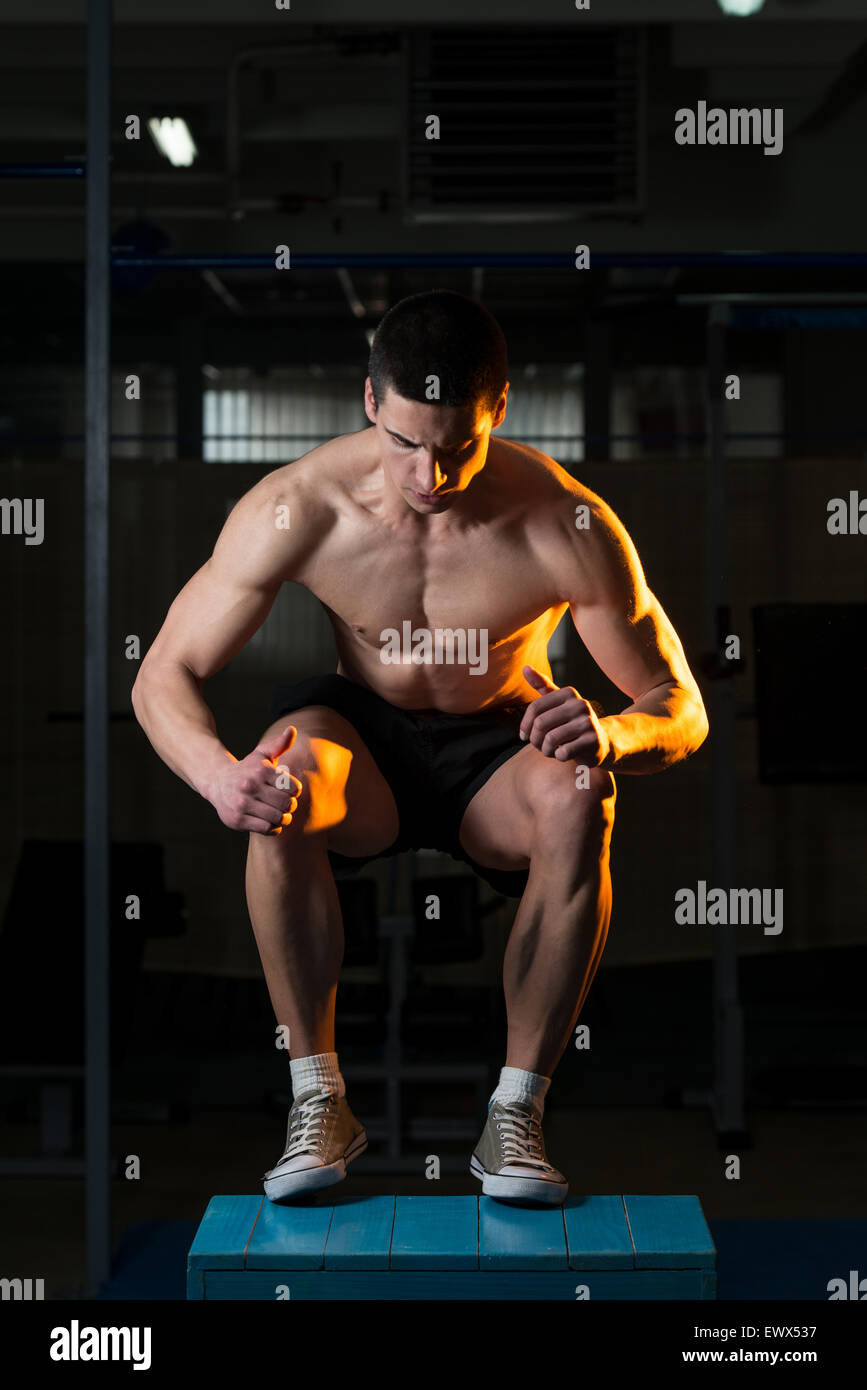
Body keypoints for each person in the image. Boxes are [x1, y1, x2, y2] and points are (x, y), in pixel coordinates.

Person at [131, 289, 708, 1208]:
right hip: (364, 743)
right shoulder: (297, 507)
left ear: (499, 410)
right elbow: (160, 674)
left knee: (579, 793)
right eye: (406, 445)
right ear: (369, 402)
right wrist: (217, 777)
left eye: (456, 447)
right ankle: (318, 1100)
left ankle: (514, 1115)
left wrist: (612, 732)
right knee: (276, 782)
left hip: (498, 751)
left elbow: (680, 707)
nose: (430, 477)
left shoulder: (563, 521)